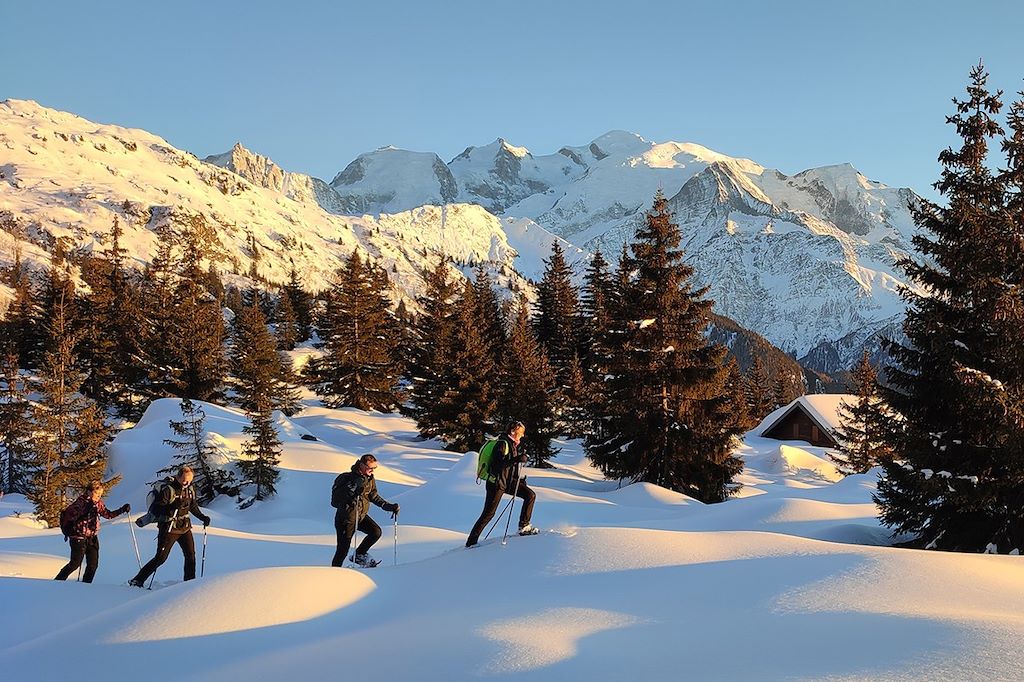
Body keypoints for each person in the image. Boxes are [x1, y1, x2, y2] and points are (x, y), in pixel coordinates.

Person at [129, 466, 211, 587]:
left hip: (184, 527)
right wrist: (171, 507)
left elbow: (192, 506)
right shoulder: (169, 490)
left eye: (189, 480)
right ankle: (137, 580)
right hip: (169, 527)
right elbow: (156, 509)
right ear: (178, 477)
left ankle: (189, 584)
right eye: (184, 479)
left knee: (191, 556)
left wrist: (202, 517)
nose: (187, 482)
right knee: (161, 557)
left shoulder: (189, 489)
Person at [466, 420, 539, 547]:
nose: (522, 435)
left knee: (530, 495)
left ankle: (524, 526)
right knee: (488, 514)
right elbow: (497, 466)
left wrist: (519, 480)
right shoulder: (502, 444)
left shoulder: (512, 444)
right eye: (520, 433)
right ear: (512, 431)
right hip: (496, 483)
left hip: (507, 482)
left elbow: (509, 469)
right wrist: (516, 459)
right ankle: (471, 542)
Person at [331, 454, 399, 568]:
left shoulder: (370, 479)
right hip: (346, 519)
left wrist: (387, 506)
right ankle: (334, 572)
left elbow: (373, 496)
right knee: (342, 550)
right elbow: (334, 501)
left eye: (374, 468)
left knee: (375, 532)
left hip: (360, 516)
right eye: (370, 468)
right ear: (361, 465)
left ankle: (359, 555)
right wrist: (350, 491)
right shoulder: (345, 478)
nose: (372, 471)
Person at [54, 480, 130, 583]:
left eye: (100, 494)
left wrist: (122, 510)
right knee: (75, 564)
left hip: (92, 538)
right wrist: (85, 510)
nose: (99, 496)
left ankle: (86, 586)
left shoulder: (98, 503)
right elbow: (71, 517)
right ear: (90, 492)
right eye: (97, 493)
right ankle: (57, 581)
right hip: (78, 537)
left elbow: (108, 514)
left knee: (93, 565)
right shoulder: (80, 503)